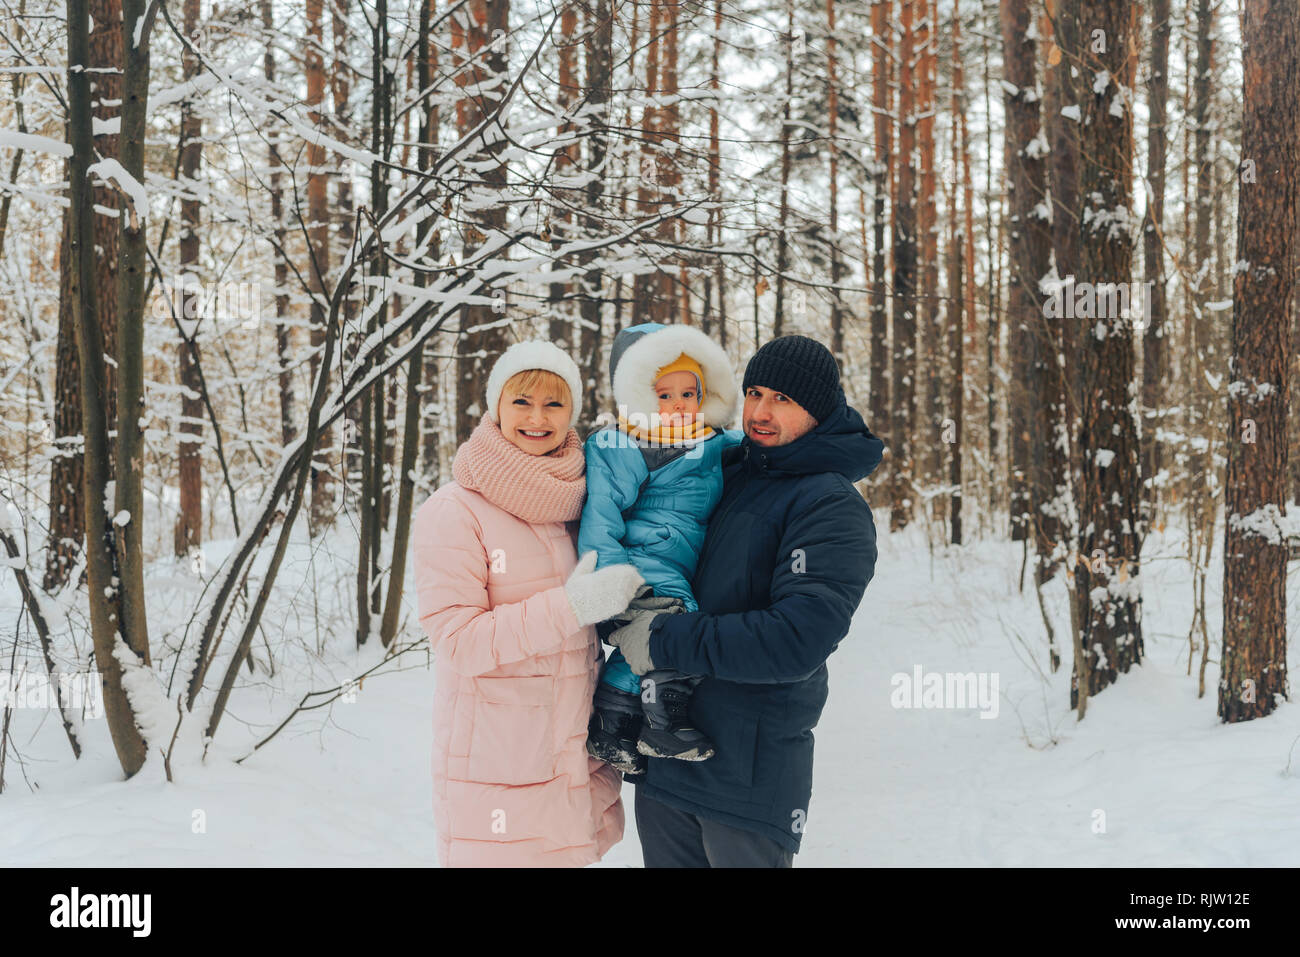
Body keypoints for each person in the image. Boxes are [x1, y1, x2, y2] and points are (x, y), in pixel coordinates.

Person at [606, 334, 884, 867]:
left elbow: (793, 640)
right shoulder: (723, 471)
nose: (760, 411)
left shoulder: (829, 506)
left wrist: (660, 639)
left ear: (818, 410)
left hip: (747, 778)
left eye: (782, 399)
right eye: (754, 391)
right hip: (666, 759)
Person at [412, 340, 643, 867]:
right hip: (500, 771)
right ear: (496, 407)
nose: (537, 418)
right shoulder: (454, 510)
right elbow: (460, 642)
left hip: (572, 764)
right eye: (521, 401)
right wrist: (571, 606)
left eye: (554, 403)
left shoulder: (579, 502)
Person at [578, 323, 743, 775]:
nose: (677, 406)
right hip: (641, 568)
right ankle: (664, 723)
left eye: (687, 394)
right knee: (683, 630)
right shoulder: (621, 447)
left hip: (678, 564)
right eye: (663, 395)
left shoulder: (712, 441)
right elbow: (601, 519)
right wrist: (612, 582)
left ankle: (612, 726)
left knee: (641, 646)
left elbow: (749, 447)